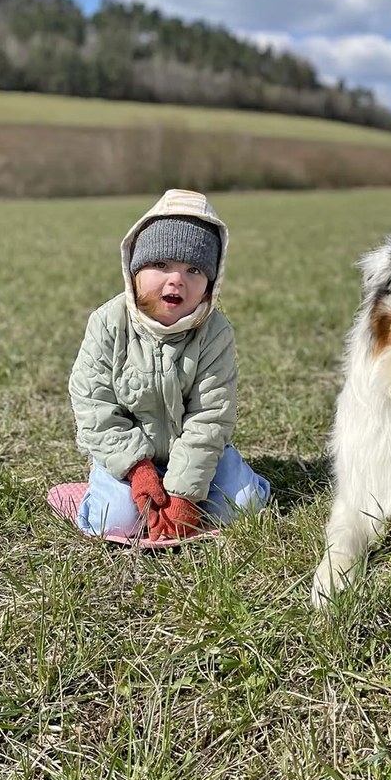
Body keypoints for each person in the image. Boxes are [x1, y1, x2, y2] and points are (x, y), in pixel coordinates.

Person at [69, 188, 269, 540]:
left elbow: (210, 416)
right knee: (115, 521)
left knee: (243, 506)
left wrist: (185, 495)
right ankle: (98, 489)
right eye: (161, 265)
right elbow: (93, 406)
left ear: (209, 285)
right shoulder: (108, 323)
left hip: (193, 452)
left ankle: (235, 483)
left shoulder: (215, 333)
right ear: (134, 270)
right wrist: (138, 469)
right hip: (126, 456)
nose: (176, 279)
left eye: (194, 269)